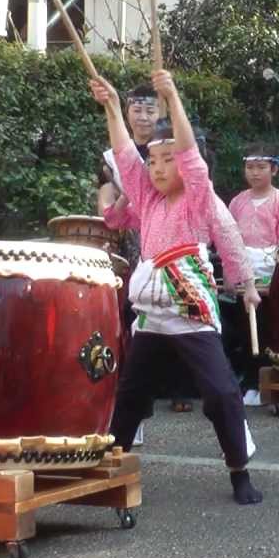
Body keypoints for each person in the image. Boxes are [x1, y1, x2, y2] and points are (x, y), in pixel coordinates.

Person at [89, 69, 264, 505]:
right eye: (155, 162)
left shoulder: (199, 195)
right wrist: (111, 106)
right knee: (130, 393)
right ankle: (110, 464)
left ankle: (239, 471)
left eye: (169, 161)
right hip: (151, 310)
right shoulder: (146, 198)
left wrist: (173, 97)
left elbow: (193, 166)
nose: (160, 168)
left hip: (190, 306)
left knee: (222, 392)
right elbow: (125, 155)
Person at [100, 85, 196, 416]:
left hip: (177, 250)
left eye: (149, 110)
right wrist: (128, 197)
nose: (143, 116)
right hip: (136, 245)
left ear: (162, 114)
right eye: (136, 110)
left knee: (184, 320)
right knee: (140, 323)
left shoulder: (175, 148)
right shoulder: (115, 156)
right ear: (127, 113)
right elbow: (108, 209)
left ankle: (183, 389)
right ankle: (135, 405)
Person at [227, 145, 279, 404]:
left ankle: (267, 383)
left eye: (261, 167)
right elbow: (229, 240)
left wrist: (278, 277)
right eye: (250, 167)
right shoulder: (237, 202)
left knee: (269, 331)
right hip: (243, 272)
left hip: (270, 271)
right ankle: (247, 381)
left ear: (274, 169)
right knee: (244, 331)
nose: (254, 173)